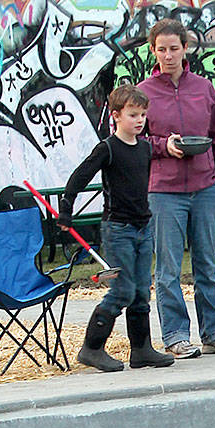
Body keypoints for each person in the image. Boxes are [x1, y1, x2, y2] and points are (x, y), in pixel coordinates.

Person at [59, 84, 175, 375]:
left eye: (143, 115)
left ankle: (141, 349)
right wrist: (66, 208)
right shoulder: (108, 148)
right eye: (133, 115)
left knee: (141, 290)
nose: (139, 120)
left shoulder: (145, 148)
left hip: (143, 227)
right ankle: (92, 348)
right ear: (116, 116)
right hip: (118, 230)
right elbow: (80, 175)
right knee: (122, 289)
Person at [142, 16, 215, 359]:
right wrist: (162, 145)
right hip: (164, 191)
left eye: (174, 48)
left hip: (205, 187)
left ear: (185, 48)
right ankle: (175, 335)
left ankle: (214, 332)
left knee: (206, 265)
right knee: (168, 268)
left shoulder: (203, 87)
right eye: (161, 49)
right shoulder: (143, 92)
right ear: (153, 51)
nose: (168, 56)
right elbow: (134, 139)